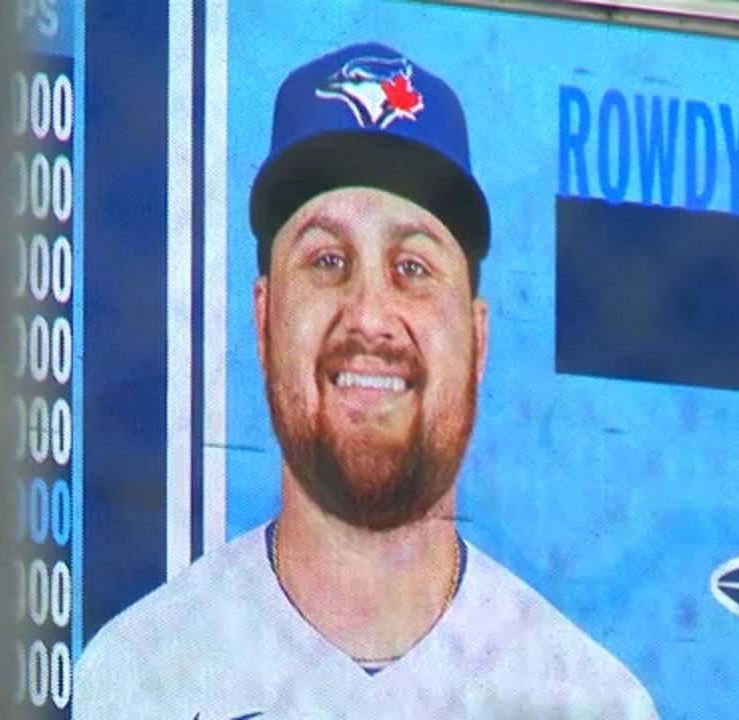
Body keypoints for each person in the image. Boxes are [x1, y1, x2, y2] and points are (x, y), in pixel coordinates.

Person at [75, 43, 657, 719]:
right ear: (263, 319)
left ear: (478, 336)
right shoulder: (143, 676)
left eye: (413, 267)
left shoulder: (587, 700)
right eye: (327, 260)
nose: (371, 316)